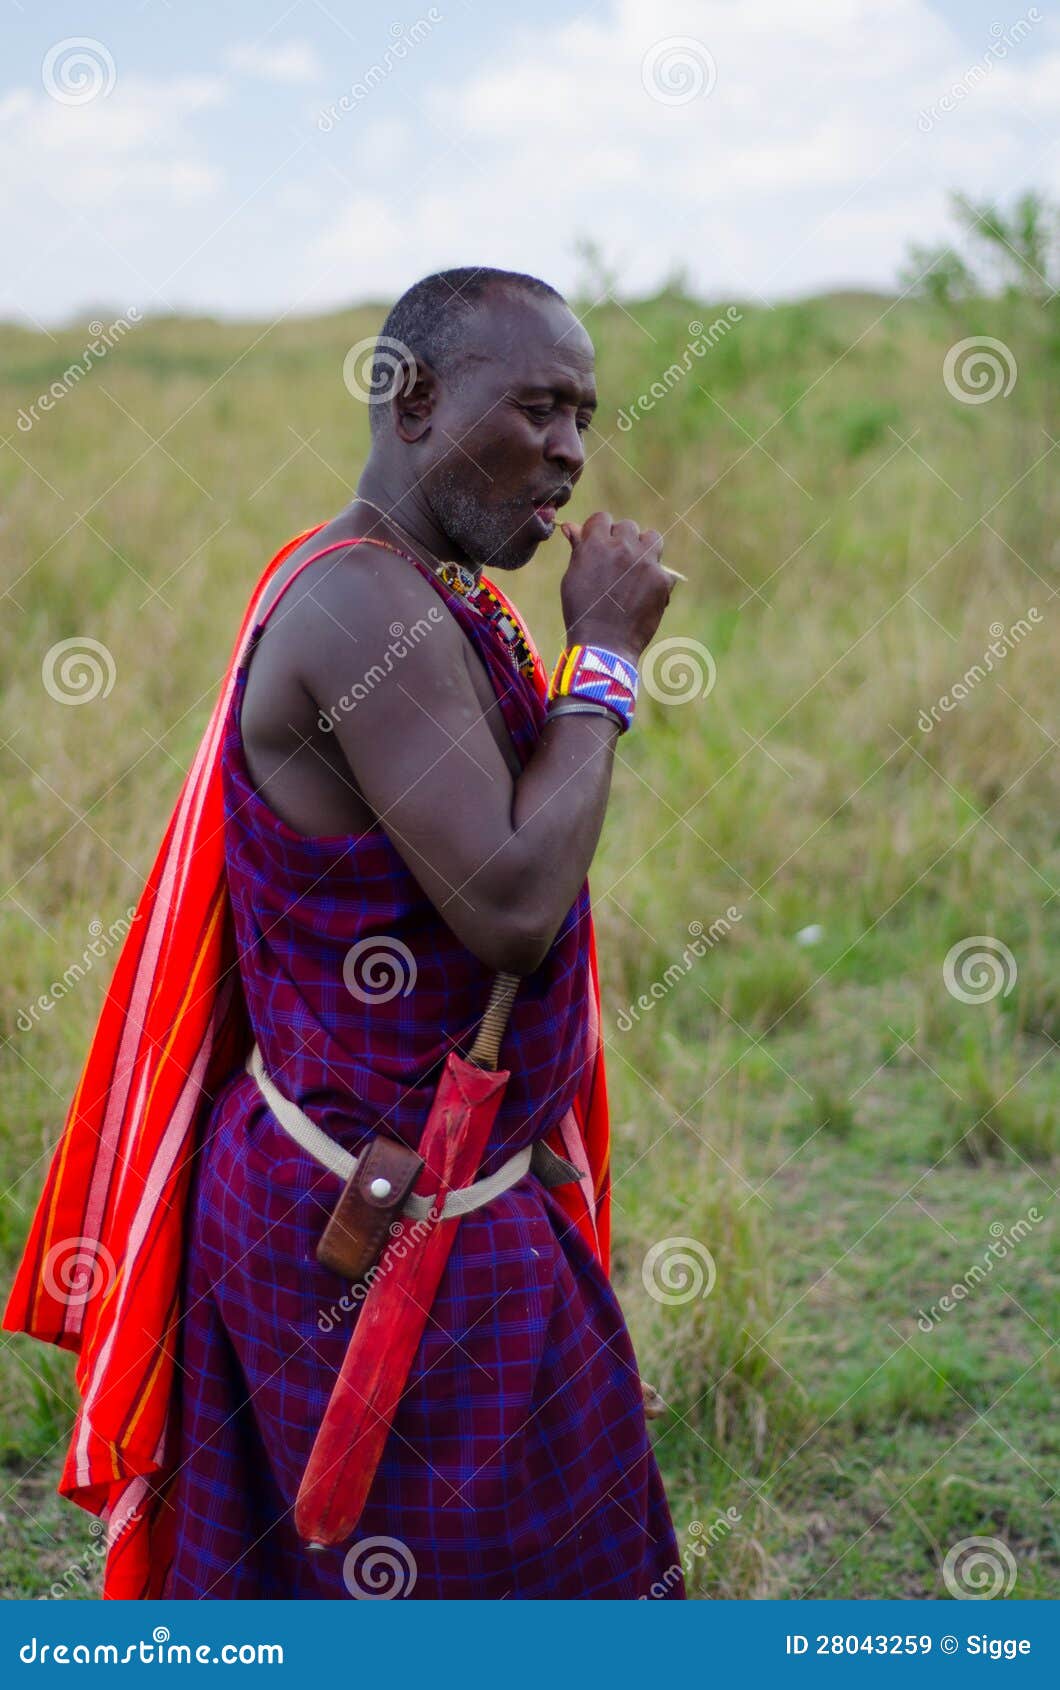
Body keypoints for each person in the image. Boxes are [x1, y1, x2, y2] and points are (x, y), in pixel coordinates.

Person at [6, 266, 685, 1599]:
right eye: (538, 407)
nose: (568, 451)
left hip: (439, 1193)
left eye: (583, 417)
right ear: (413, 400)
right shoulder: (363, 606)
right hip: (369, 1222)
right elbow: (508, 898)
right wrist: (603, 656)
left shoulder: (422, 588)